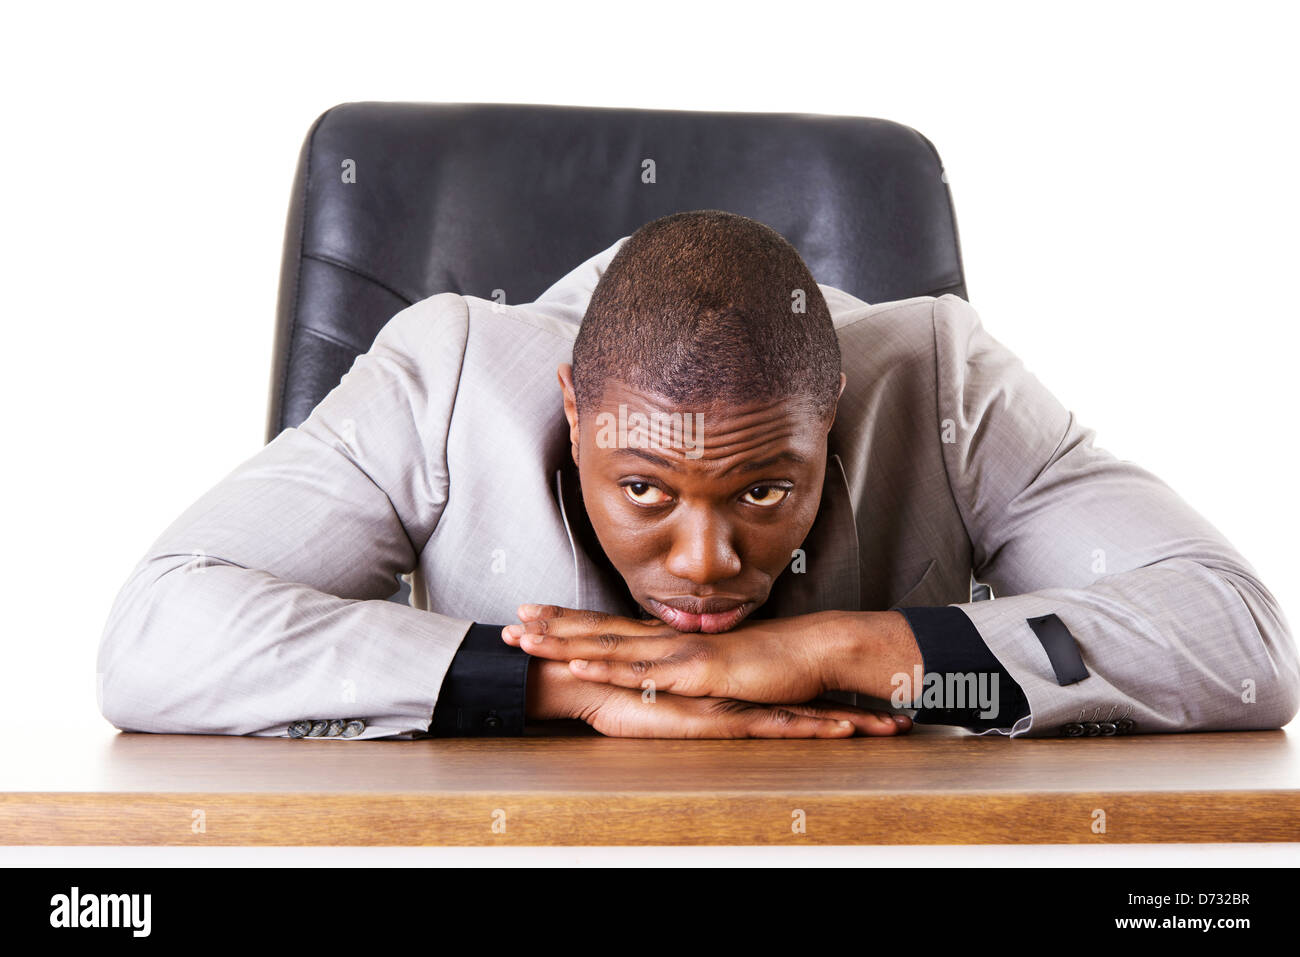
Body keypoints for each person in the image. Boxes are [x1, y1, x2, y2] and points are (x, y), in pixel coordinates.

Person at [96, 210, 1300, 740]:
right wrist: (570, 692)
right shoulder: (448, 375)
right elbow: (155, 633)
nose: (705, 562)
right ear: (572, 408)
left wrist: (834, 650)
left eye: (766, 493)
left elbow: (1242, 638)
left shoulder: (936, 379)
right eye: (645, 492)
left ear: (831, 420)